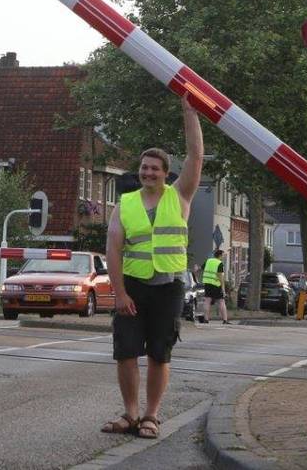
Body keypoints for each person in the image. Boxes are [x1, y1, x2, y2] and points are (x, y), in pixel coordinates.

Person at [100, 96, 203, 440]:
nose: (148, 172)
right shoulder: (125, 204)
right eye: (144, 167)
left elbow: (196, 156)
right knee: (126, 352)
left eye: (154, 168)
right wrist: (120, 294)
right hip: (133, 287)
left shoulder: (180, 196)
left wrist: (189, 113)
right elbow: (113, 249)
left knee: (160, 353)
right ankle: (130, 414)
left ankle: (151, 416)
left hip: (168, 287)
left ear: (166, 173)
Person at [200, 249, 230, 324]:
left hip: (207, 284)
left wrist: (196, 269)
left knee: (207, 301)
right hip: (216, 284)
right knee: (221, 301)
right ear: (220, 255)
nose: (223, 257)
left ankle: (206, 319)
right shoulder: (220, 263)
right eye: (223, 255)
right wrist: (223, 289)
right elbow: (220, 277)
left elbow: (200, 268)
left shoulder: (208, 261)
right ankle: (225, 320)